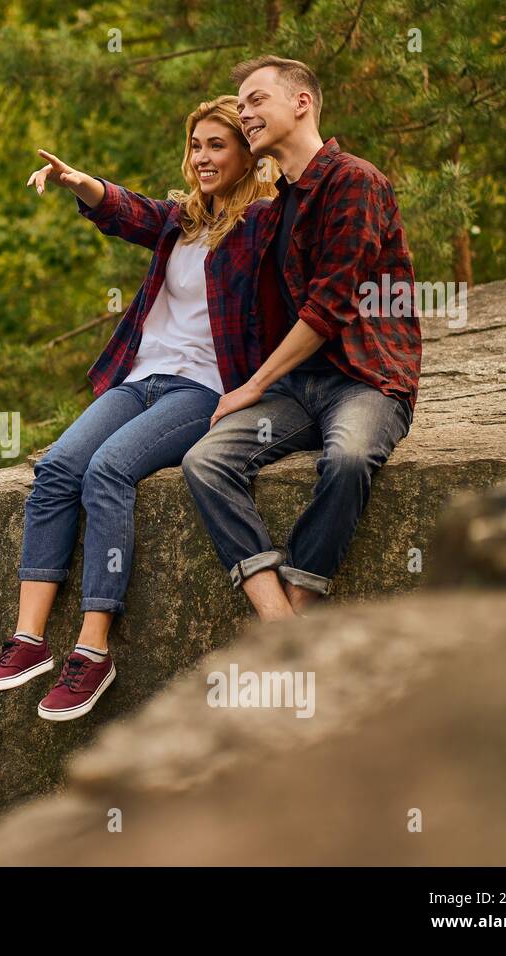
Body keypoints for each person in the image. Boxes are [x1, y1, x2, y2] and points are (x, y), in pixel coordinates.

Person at [0, 96, 277, 721]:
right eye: (196, 146)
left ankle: (92, 650)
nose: (202, 158)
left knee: (110, 470)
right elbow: (128, 212)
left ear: (249, 154)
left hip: (204, 390)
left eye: (217, 146)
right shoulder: (181, 221)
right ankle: (30, 641)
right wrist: (75, 181)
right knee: (59, 467)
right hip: (141, 379)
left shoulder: (262, 226)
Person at [182, 56, 422, 623]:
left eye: (256, 100)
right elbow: (173, 220)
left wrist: (252, 385)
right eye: (240, 107)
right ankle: (279, 623)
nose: (245, 114)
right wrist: (98, 194)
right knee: (205, 461)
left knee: (349, 457)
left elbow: (329, 305)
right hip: (298, 391)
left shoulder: (355, 181)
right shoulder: (280, 203)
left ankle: (302, 602)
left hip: (366, 381)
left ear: (301, 103)